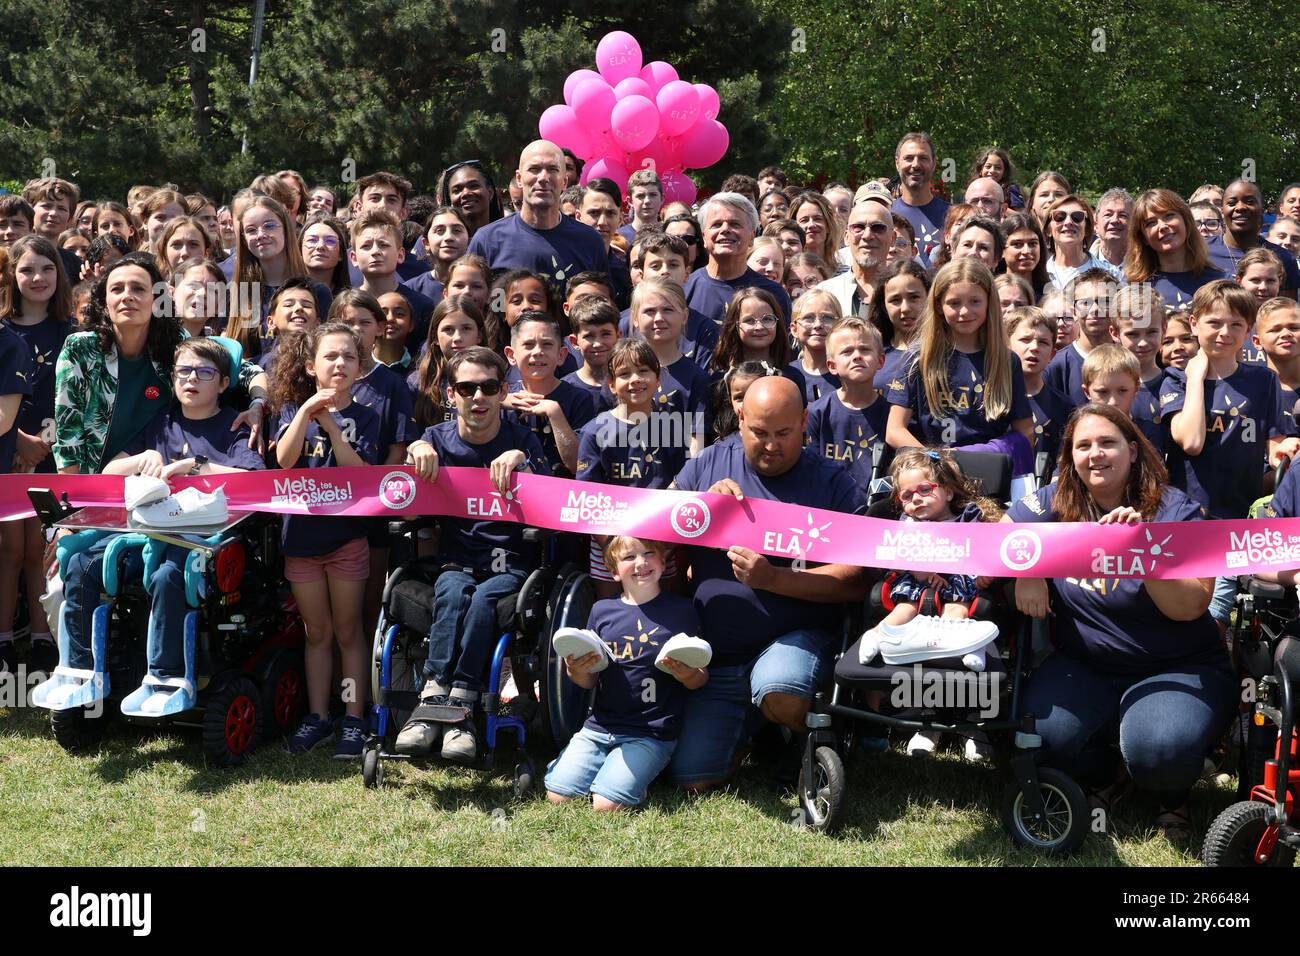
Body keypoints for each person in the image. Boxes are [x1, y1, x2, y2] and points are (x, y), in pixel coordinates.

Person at [1006, 403, 1236, 842]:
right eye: (1083, 445)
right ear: (1070, 457)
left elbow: (1189, 607)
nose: (1096, 454)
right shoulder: (1058, 500)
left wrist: (1139, 552)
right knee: (1037, 742)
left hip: (1177, 667)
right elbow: (1001, 535)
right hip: (1087, 665)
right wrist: (1028, 568)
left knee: (1160, 750)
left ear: (1132, 450)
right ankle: (1114, 772)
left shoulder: (1177, 511)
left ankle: (1171, 790)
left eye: (1108, 442)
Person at [667, 376, 868, 788]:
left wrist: (773, 578)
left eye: (784, 433)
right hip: (716, 655)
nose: (771, 445)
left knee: (780, 688)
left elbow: (854, 581)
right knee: (692, 777)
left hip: (796, 637)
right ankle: (760, 730)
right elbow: (650, 537)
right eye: (759, 432)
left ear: (804, 422)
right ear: (740, 418)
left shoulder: (832, 481)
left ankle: (804, 732)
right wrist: (699, 508)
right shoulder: (706, 464)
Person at [79, 339, 265, 706]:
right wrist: (143, 457)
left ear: (224, 384)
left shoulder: (234, 424)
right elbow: (109, 471)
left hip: (202, 542)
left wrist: (194, 466)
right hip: (143, 535)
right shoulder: (161, 422)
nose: (191, 379)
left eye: (204, 372)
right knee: (83, 564)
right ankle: (85, 671)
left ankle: (167, 678)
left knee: (167, 575)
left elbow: (253, 478)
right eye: (184, 371)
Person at [396, 347, 551, 761]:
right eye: (467, 388)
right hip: (457, 561)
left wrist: (525, 460)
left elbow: (554, 498)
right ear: (451, 395)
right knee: (451, 591)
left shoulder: (522, 438)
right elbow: (405, 497)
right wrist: (415, 450)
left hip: (510, 563)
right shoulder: (435, 439)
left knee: (484, 600)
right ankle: (432, 695)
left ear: (503, 391)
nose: (478, 397)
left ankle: (462, 700)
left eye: (488, 387)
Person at [271, 323, 381, 758]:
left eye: (348, 357)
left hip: (346, 540)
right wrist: (304, 414)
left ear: (359, 366)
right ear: (311, 366)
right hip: (300, 539)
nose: (339, 364)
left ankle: (354, 717)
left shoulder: (367, 415)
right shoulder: (291, 410)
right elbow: (283, 461)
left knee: (348, 631)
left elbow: (360, 475)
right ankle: (318, 715)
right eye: (330, 357)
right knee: (316, 632)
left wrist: (334, 427)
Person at [545, 535, 706, 810]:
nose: (640, 563)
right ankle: (605, 771)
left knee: (606, 806)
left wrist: (687, 674)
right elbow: (588, 680)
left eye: (648, 553)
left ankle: (628, 782)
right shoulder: (602, 610)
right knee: (559, 797)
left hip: (651, 734)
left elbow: (700, 677)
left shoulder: (681, 610)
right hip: (600, 727)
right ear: (613, 571)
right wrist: (575, 669)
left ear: (664, 561)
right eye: (629, 557)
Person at [885, 259, 1036, 496]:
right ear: (937, 306)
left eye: (975, 302)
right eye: (954, 303)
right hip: (931, 483)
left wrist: (976, 459)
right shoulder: (918, 359)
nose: (965, 311)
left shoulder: (1006, 361)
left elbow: (1026, 433)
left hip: (989, 481)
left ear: (989, 303)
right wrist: (936, 463)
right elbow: (894, 430)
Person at [53, 255, 183, 476]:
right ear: (105, 302)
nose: (127, 297)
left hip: (156, 483)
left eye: (138, 289)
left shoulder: (175, 346)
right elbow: (68, 433)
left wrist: (258, 402)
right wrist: (77, 496)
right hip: (93, 485)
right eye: (117, 289)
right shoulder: (80, 348)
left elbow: (239, 367)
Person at [468, 141, 608, 298]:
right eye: (534, 169)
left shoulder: (589, 241)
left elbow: (601, 310)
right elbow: (470, 309)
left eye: (552, 169)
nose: (543, 178)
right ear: (519, 178)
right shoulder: (487, 240)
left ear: (564, 182)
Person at [501, 311, 595, 478]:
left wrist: (555, 413)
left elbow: (578, 465)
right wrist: (496, 402)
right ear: (511, 355)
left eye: (547, 344)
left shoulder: (579, 398)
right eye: (528, 344)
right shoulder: (501, 399)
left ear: (561, 355)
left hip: (562, 495)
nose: (538, 352)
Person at [806, 316, 889, 488]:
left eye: (865, 349)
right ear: (832, 365)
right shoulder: (818, 412)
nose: (857, 356)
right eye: (847, 351)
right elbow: (810, 468)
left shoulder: (892, 415)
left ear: (880, 361)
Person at [686, 193, 792, 327]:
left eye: (735, 224)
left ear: (752, 236)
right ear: (704, 237)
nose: (725, 229)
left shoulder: (774, 294)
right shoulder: (684, 289)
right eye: (716, 224)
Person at [1124, 188, 1228, 311]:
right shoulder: (1132, 288)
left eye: (1168, 216)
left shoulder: (1220, 282)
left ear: (1186, 221)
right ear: (1143, 237)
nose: (1162, 226)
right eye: (1151, 223)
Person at [1208, 179, 1300, 296]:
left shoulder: (1284, 259)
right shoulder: (1201, 252)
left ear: (1262, 211)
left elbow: (1287, 311)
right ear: (1222, 211)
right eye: (1231, 203)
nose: (1240, 207)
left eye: (1250, 202)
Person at [1044, 266, 1122, 405]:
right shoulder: (1057, 367)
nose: (1095, 309)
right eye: (1085, 303)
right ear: (1074, 312)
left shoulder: (1129, 358)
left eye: (1105, 302)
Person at [1005, 306, 1069, 470]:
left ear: (1052, 355)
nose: (1034, 347)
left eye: (1043, 342)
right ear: (1006, 346)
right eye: (1025, 340)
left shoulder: (1066, 407)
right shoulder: (990, 398)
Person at [816, 187, 895, 319]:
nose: (867, 235)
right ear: (847, 237)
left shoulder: (908, 293)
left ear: (892, 238)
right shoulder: (826, 293)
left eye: (878, 228)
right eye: (858, 227)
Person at [409, 295, 487, 428]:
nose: (457, 337)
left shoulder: (493, 379)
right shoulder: (417, 382)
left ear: (479, 335)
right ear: (435, 337)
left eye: (466, 329)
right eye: (448, 330)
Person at [868, 258, 929, 393]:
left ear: (929, 298)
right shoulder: (871, 352)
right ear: (884, 306)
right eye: (895, 300)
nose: (905, 308)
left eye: (914, 298)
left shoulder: (943, 352)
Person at [891, 131, 948, 262]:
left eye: (923, 158)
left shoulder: (952, 216)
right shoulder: (885, 215)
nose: (915, 165)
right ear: (897, 163)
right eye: (909, 158)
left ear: (934, 163)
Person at [1044, 194, 1122, 290]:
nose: (1068, 222)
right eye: (1059, 216)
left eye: (1077, 217)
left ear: (1087, 229)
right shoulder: (1039, 274)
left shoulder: (1112, 273)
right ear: (1048, 229)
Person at [787, 289, 841, 403]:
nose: (818, 325)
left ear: (839, 325)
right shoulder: (787, 374)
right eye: (808, 318)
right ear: (795, 329)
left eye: (827, 317)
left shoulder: (847, 374)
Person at [999, 211, 1050, 300]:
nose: (1026, 251)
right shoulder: (991, 293)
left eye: (1032, 244)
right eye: (1017, 244)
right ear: (1002, 250)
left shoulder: (1049, 295)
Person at [300, 213, 351, 294]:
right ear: (300, 249)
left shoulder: (350, 302)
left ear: (340, 254)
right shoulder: (283, 294)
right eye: (312, 240)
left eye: (330, 241)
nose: (320, 246)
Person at [790, 192, 841, 270]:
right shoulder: (788, 273)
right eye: (804, 220)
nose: (811, 225)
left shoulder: (845, 273)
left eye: (818, 219)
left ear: (828, 226)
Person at [1091, 188, 1132, 270]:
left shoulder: (1148, 266)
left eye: (1123, 215)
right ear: (1096, 224)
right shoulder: (1081, 267)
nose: (1114, 220)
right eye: (1108, 214)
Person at [620, 169, 663, 244]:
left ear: (662, 198)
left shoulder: (671, 234)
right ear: (630, 201)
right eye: (641, 196)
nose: (647, 201)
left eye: (653, 195)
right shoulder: (619, 237)